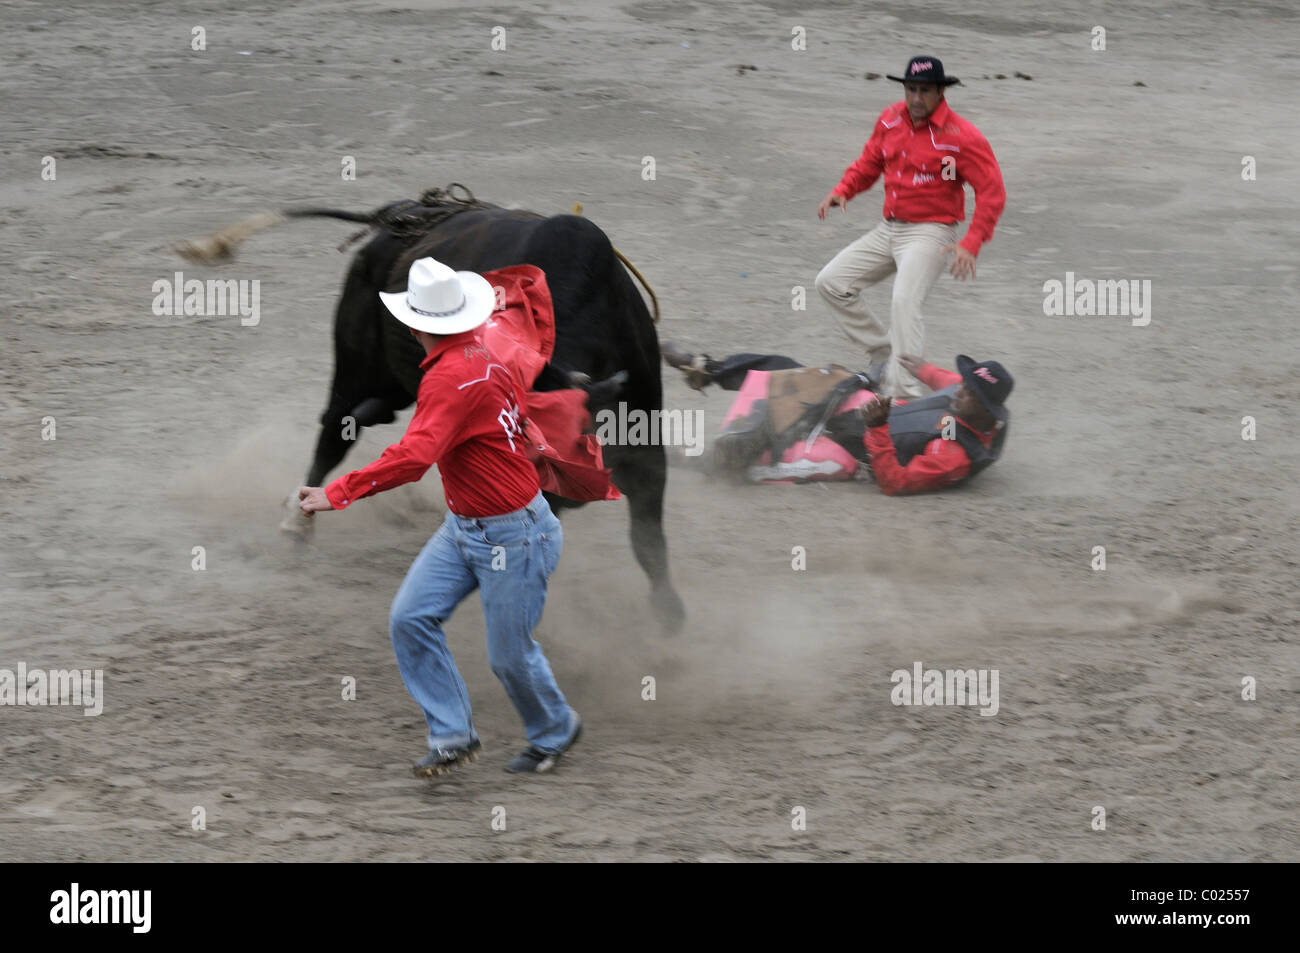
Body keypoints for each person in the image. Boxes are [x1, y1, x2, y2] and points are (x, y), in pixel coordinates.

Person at [297, 257, 582, 778]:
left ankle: (555, 730)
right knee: (411, 618)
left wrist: (336, 491)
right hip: (474, 526)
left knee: (509, 657)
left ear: (412, 324)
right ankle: (452, 735)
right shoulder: (488, 347)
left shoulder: (450, 379)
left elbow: (412, 459)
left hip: (511, 537)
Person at [815, 55, 1006, 399]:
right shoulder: (890, 120)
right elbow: (869, 162)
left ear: (940, 93)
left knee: (904, 300)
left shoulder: (961, 136)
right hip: (888, 229)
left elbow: (992, 191)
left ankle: (903, 395)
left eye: (925, 91)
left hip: (931, 233)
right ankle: (884, 353)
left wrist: (972, 242)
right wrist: (844, 189)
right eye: (911, 89)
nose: (917, 98)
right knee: (831, 282)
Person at [661, 342, 1012, 494]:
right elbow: (944, 381)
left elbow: (895, 482)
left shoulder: (954, 457)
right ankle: (706, 369)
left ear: (986, 411)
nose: (959, 391)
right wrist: (923, 369)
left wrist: (875, 429)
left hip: (860, 451)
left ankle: (691, 462)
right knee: (787, 371)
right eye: (964, 385)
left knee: (765, 446)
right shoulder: (966, 397)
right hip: (872, 407)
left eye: (969, 393)